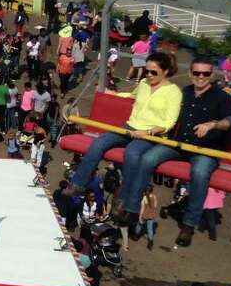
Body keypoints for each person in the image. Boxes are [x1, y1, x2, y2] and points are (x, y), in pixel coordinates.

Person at [116, 55, 231, 247]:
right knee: (147, 159)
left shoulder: (222, 98)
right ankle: (131, 209)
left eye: (205, 74)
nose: (201, 77)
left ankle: (189, 224)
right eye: (197, 73)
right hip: (179, 145)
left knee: (199, 173)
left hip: (205, 149)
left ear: (212, 75)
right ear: (190, 74)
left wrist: (213, 124)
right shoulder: (184, 93)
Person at [68, 52, 182, 202]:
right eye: (147, 71)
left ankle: (125, 196)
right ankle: (78, 183)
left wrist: (148, 131)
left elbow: (169, 122)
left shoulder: (174, 92)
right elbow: (132, 96)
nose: (149, 75)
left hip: (152, 134)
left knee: (132, 152)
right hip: (130, 126)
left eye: (153, 72)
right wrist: (111, 93)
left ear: (165, 71)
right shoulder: (144, 83)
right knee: (99, 142)